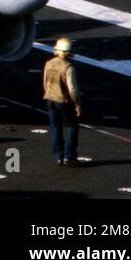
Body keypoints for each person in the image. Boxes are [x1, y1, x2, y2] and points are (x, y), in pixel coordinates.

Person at [43, 36, 82, 166]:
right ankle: (69, 156)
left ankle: (58, 156)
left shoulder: (49, 63)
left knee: (55, 127)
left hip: (50, 98)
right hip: (63, 101)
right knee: (72, 126)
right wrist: (77, 104)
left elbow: (45, 83)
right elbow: (73, 89)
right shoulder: (69, 67)